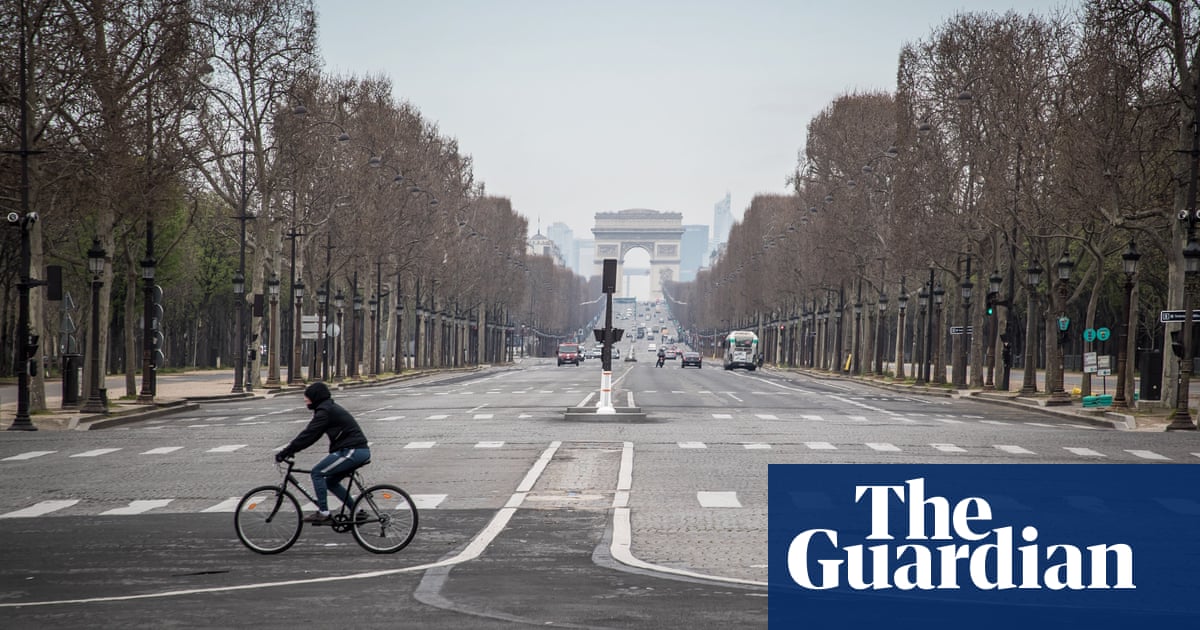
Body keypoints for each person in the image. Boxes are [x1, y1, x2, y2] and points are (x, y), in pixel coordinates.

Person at [274, 382, 370, 525]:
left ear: (315, 397)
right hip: (354, 451)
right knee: (330, 482)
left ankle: (324, 512)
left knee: (317, 472)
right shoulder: (326, 409)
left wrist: (287, 451)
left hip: (353, 451)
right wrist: (293, 449)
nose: (305, 400)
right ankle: (357, 512)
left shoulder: (325, 411)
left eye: (307, 397)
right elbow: (312, 436)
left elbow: (309, 434)